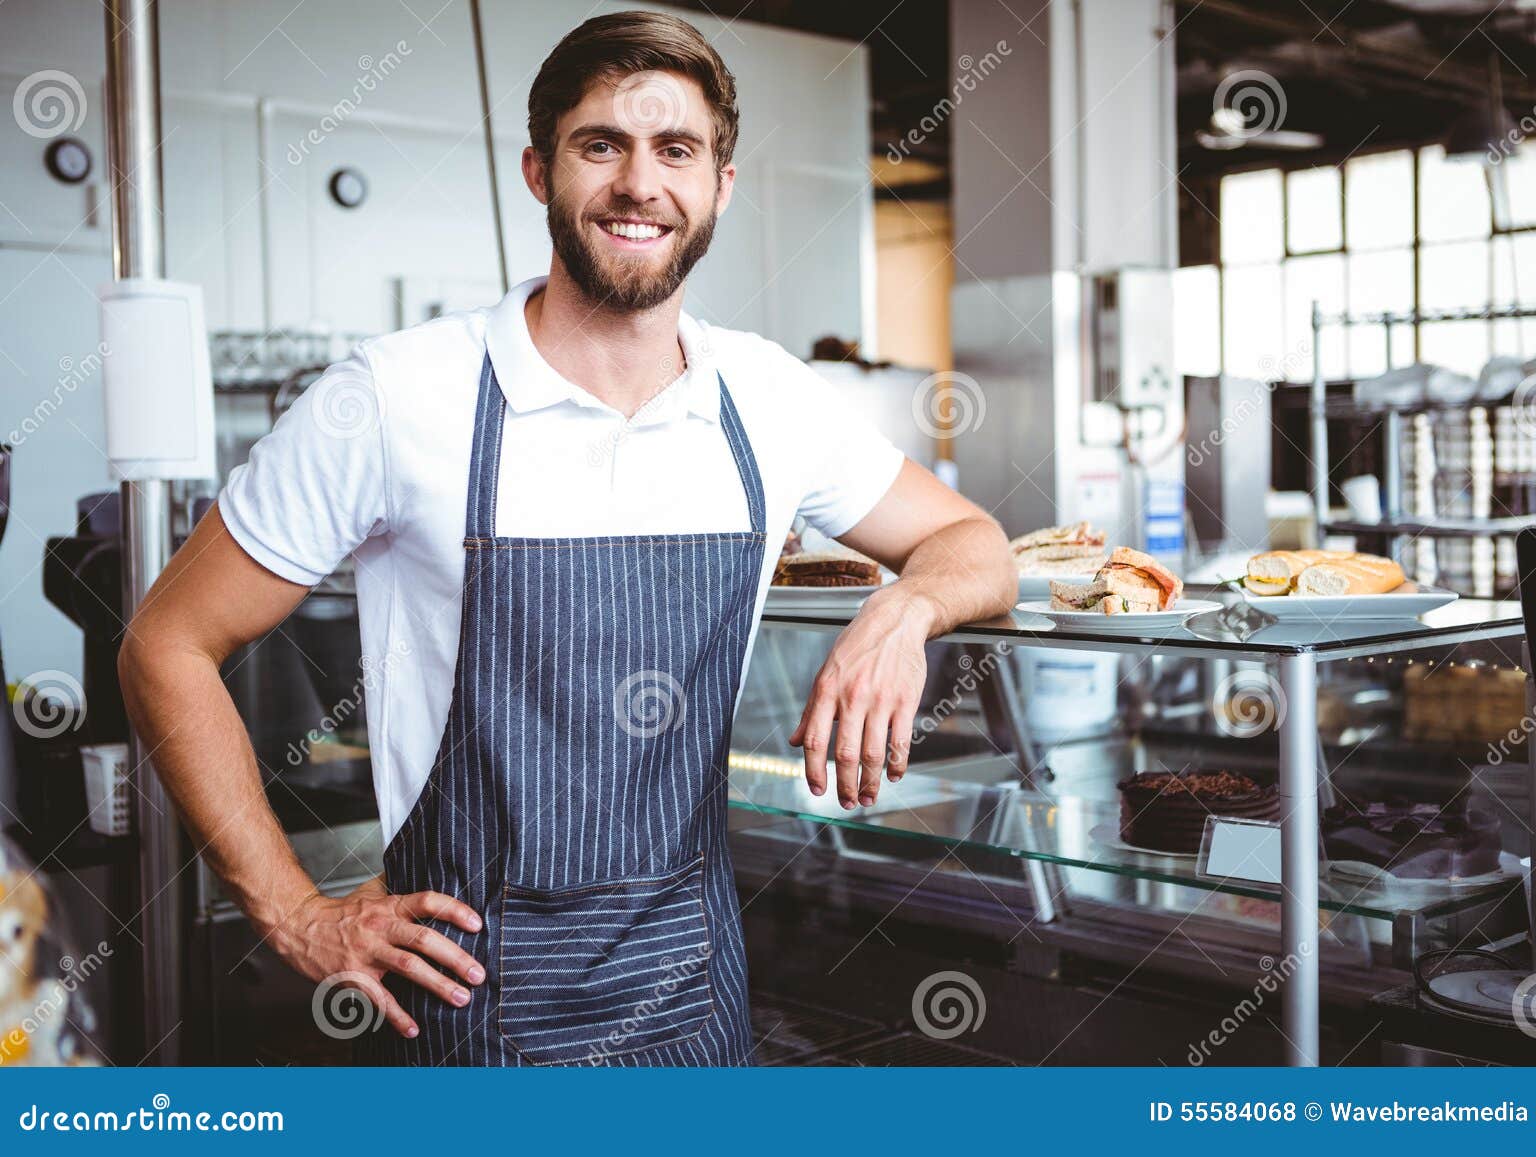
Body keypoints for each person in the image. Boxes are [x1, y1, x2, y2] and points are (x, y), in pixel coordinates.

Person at [119, 10, 1015, 1067]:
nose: (642, 184)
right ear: (541, 170)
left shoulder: (767, 397)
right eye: (604, 146)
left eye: (676, 150)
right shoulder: (401, 394)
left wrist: (902, 608)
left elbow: (973, 538)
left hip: (694, 1005)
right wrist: (294, 910)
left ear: (720, 186)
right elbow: (164, 644)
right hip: (463, 1009)